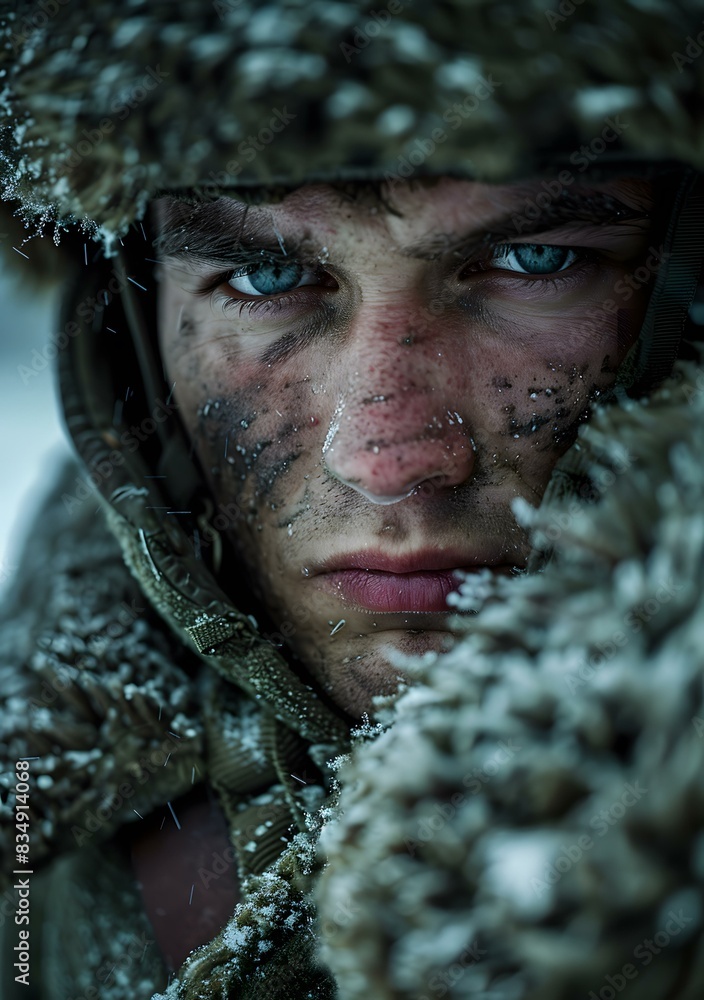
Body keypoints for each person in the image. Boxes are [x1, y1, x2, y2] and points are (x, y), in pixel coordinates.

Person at [0, 2, 703, 998]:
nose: (388, 458)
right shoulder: (34, 820)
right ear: (131, 322)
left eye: (533, 261)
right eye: (266, 272)